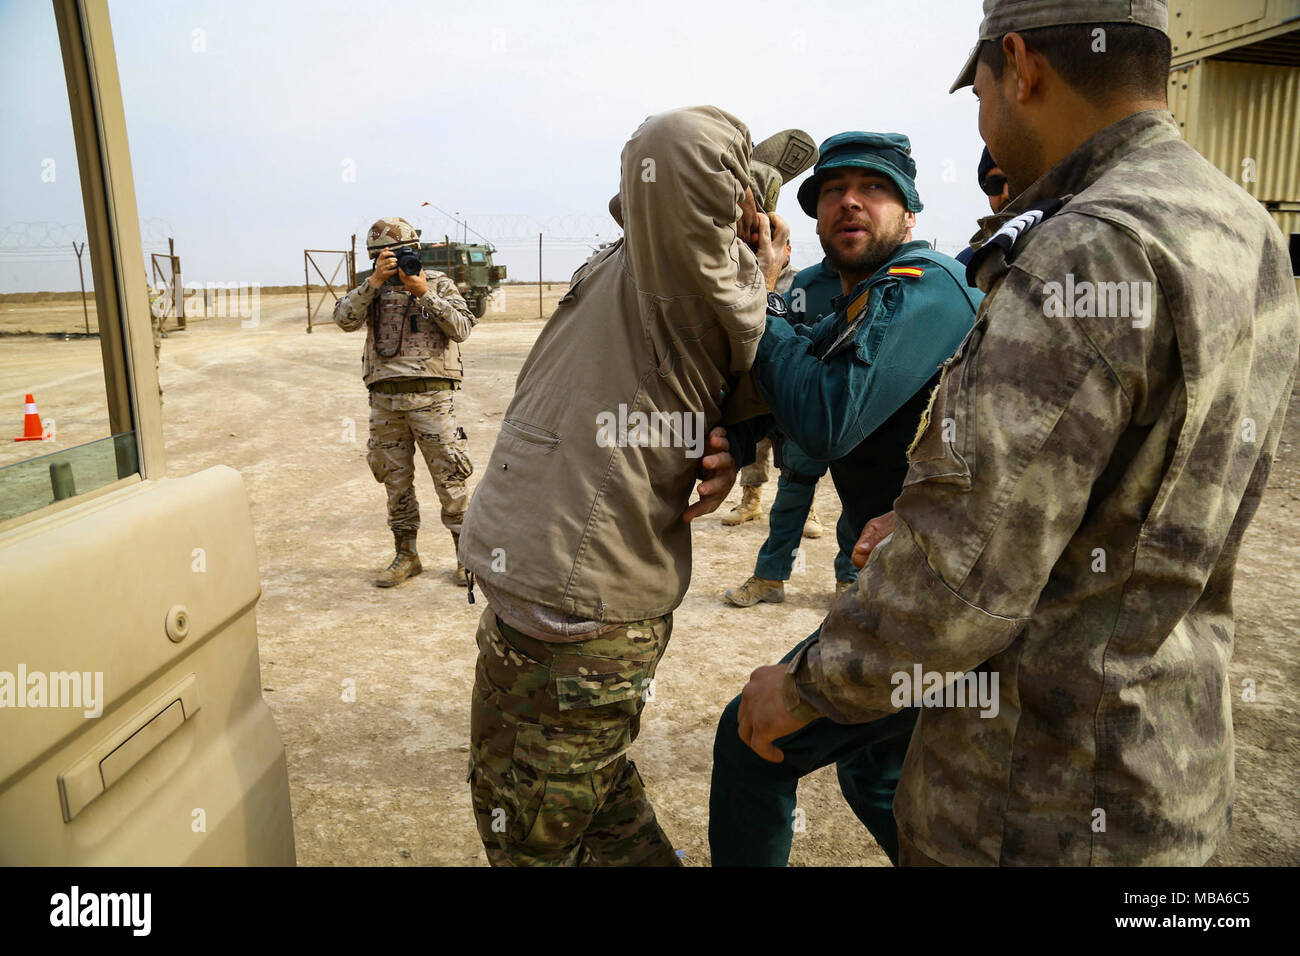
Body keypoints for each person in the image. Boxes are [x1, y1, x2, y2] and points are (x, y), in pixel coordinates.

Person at [737, 0, 1300, 866]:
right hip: (1163, 763)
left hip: (1032, 796)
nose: (986, 122)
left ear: (1020, 64)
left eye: (980, 93)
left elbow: (964, 576)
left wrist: (809, 689)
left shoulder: (1086, 250)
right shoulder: (1242, 225)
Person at [457, 110, 815, 866]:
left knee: (527, 836)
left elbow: (669, 142)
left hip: (571, 616)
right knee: (597, 814)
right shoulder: (669, 269)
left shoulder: (689, 268)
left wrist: (749, 225)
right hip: (549, 601)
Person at [711, 131, 983, 864]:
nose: (850, 201)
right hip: (907, 581)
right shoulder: (858, 295)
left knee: (752, 739)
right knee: (877, 771)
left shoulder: (920, 289)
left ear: (910, 212)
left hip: (939, 595)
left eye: (874, 188)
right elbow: (794, 374)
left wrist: (761, 300)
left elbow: (828, 417)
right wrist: (735, 443)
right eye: (833, 190)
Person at [333, 216, 477, 588]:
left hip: (432, 399)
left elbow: (461, 328)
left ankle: (466, 558)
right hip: (385, 403)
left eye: (401, 255)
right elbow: (343, 319)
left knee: (451, 478)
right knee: (394, 482)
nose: (396, 263)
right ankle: (406, 555)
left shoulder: (438, 283)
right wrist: (375, 282)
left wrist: (422, 292)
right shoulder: (371, 289)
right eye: (385, 258)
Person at [956, 146, 1013, 265]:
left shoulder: (1059, 243)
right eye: (994, 184)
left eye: (1014, 180)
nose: (1006, 194)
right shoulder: (966, 263)